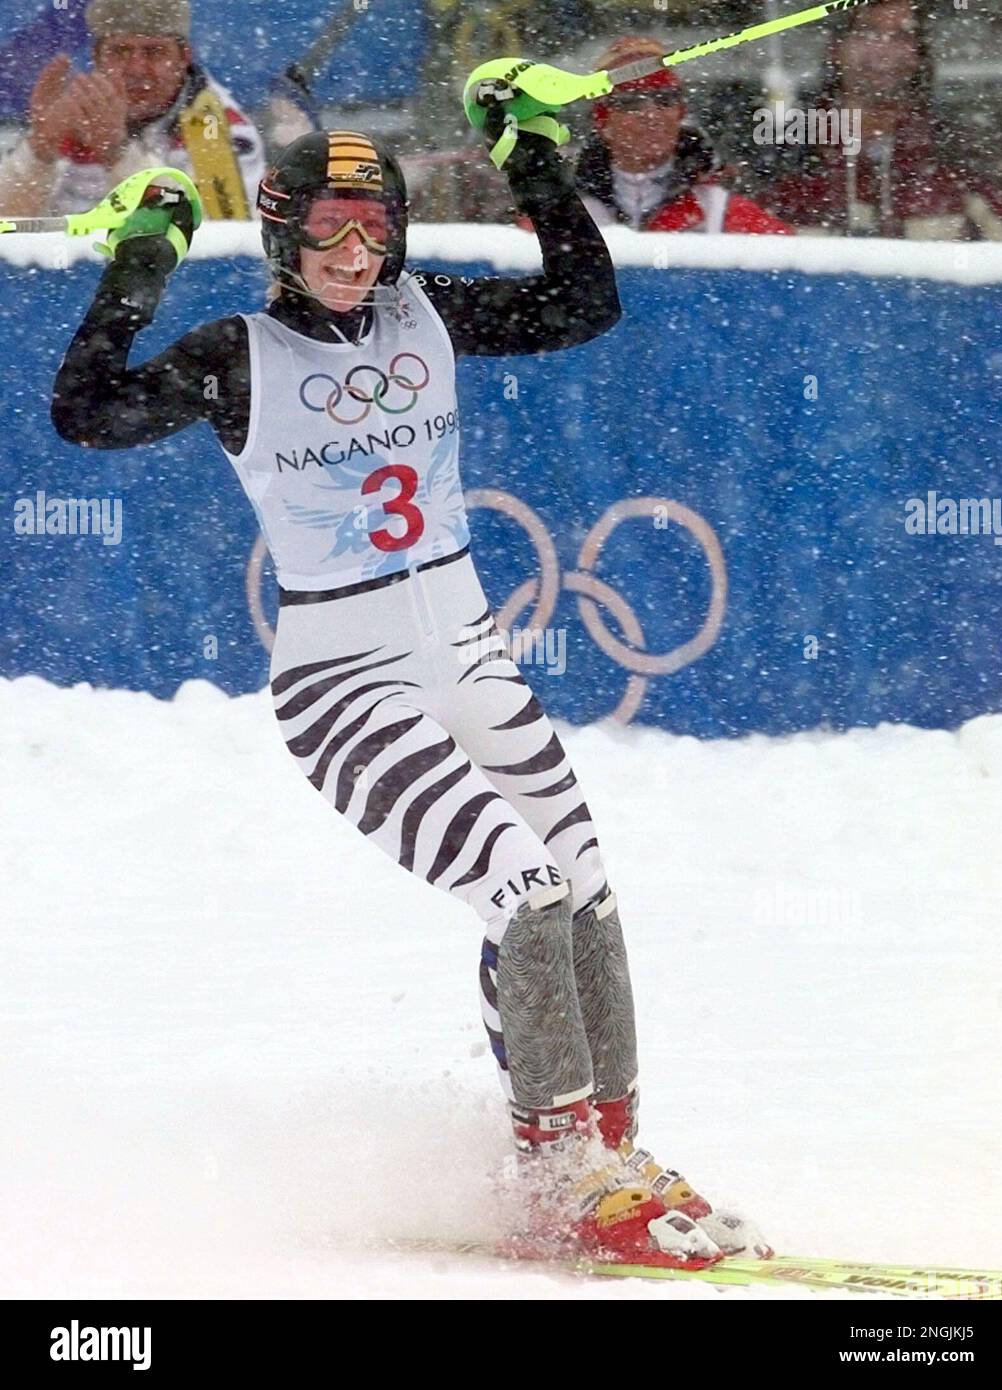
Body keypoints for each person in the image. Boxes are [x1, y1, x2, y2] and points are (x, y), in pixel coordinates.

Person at [51, 108, 767, 1263]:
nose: (356, 253)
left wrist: (528, 155)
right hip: (345, 682)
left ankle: (614, 1151)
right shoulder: (237, 354)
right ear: (282, 233)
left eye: (375, 226)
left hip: (469, 652)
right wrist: (142, 263)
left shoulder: (422, 306)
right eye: (332, 228)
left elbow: (586, 303)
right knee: (525, 892)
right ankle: (558, 1173)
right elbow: (86, 414)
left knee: (585, 891)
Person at [764, 0, 1002, 240]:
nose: (883, 50)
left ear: (918, 54)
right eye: (867, 32)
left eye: (901, 36)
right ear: (836, 49)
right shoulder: (786, 153)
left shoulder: (954, 155)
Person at [0, 0, 263, 222]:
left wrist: (118, 153)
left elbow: (207, 247)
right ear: (97, 57)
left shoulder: (219, 128)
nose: (137, 69)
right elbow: (9, 230)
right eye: (120, 52)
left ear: (184, 57)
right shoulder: (70, 115)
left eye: (154, 52)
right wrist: (39, 151)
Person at [576, 36, 793, 236]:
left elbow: (793, 266)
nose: (651, 115)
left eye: (665, 99)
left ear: (680, 112)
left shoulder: (718, 205)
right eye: (631, 102)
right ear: (603, 119)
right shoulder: (564, 206)